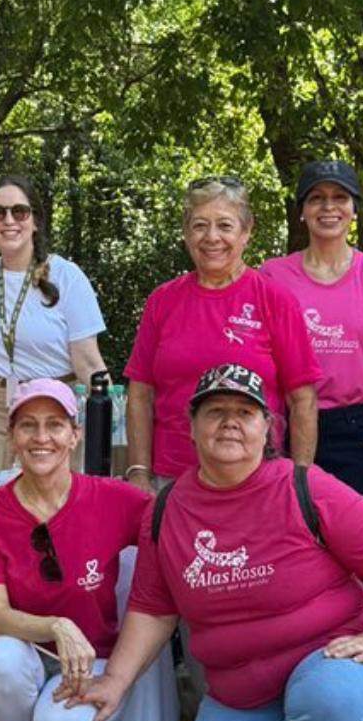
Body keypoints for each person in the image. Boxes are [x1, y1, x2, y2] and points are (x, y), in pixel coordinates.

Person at [81, 364, 363, 721]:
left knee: (330, 705)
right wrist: (116, 680)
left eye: (245, 412)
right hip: (244, 695)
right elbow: (153, 607)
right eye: (215, 411)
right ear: (191, 427)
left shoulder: (306, 487)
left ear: (268, 428)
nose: (229, 422)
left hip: (332, 663)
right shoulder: (167, 510)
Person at [0, 379, 153, 721]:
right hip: (28, 647)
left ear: (75, 434)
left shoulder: (114, 499)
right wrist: (56, 626)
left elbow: (173, 533)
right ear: (11, 437)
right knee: (0, 660)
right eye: (27, 425)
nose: (41, 437)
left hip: (94, 655)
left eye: (54, 425)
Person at [124, 176, 321, 491]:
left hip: (257, 482)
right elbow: (140, 394)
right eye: (200, 225)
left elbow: (303, 401)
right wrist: (138, 471)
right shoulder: (162, 301)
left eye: (225, 226)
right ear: (187, 234)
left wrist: (299, 483)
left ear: (246, 231)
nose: (211, 237)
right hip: (172, 481)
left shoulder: (274, 300)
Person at [261, 160, 363, 503]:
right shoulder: (272, 275)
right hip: (288, 419)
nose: (328, 207)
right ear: (302, 211)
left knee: (353, 537)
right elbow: (262, 359)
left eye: (340, 197)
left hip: (354, 424)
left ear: (354, 208)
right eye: (316, 198)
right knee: (291, 532)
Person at [0, 175, 108, 473]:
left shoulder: (67, 276)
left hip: (54, 408)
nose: (9, 220)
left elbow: (89, 364)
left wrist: (103, 434)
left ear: (36, 221)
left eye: (20, 211)